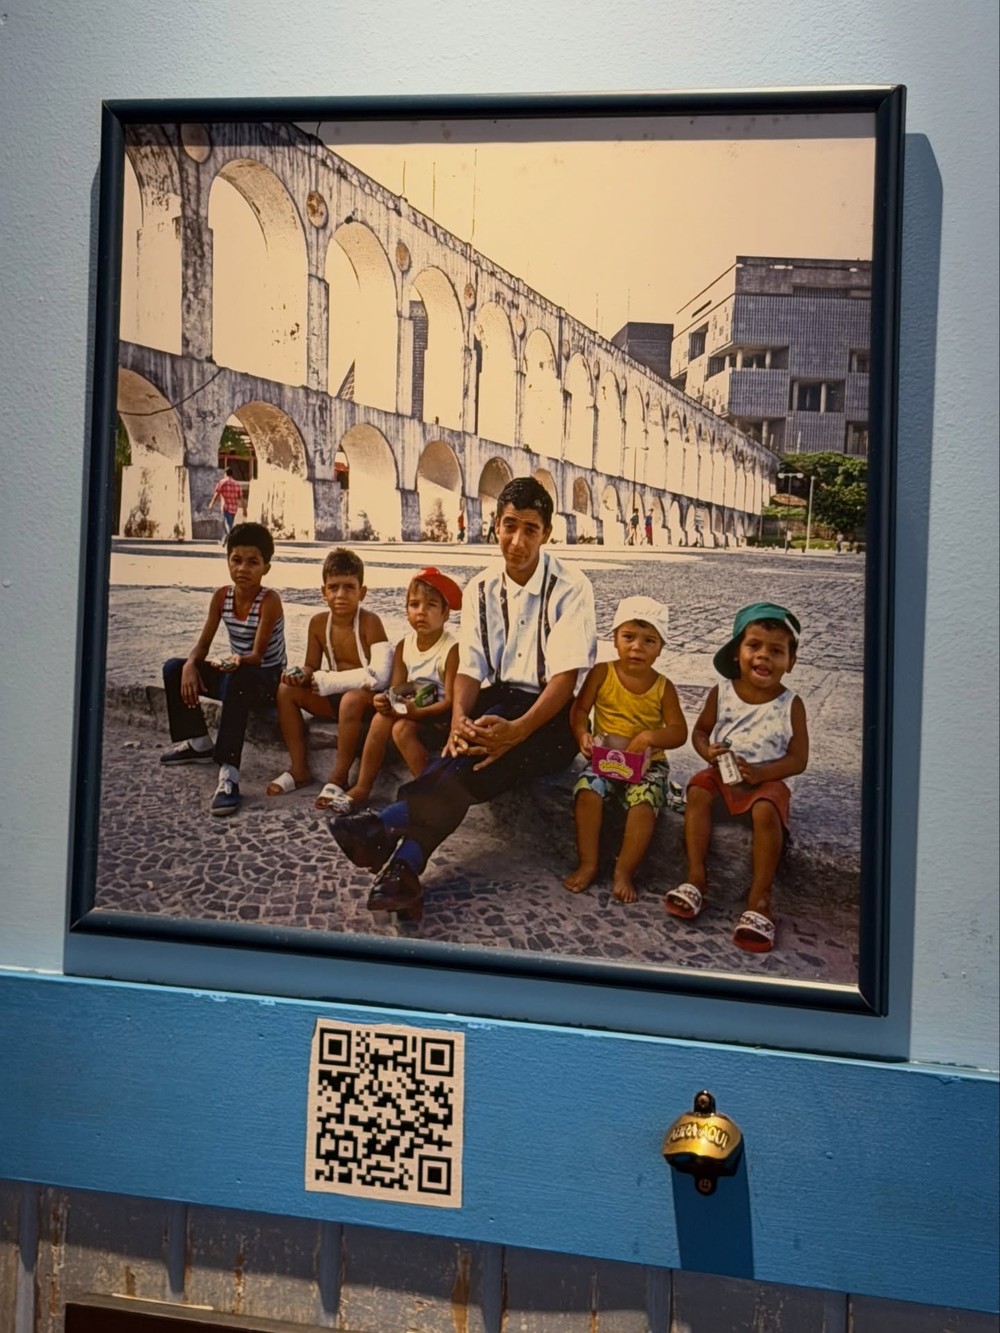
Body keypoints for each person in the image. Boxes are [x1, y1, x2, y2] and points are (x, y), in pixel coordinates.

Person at [329, 476, 597, 921]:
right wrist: (458, 718)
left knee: (476, 754)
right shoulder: (480, 589)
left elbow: (565, 679)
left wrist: (517, 731)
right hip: (500, 701)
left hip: (550, 716)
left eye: (530, 529)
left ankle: (386, 823)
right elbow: (470, 668)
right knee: (468, 748)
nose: (517, 541)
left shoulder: (571, 587)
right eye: (510, 526)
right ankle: (404, 869)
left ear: (547, 534)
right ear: (495, 525)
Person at [664, 602, 809, 953]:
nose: (763, 656)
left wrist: (762, 774)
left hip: (767, 780)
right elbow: (701, 732)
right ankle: (696, 877)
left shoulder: (791, 704)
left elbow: (798, 759)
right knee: (698, 789)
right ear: (736, 653)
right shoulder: (723, 692)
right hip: (723, 776)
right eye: (754, 646)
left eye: (776, 651)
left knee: (765, 810)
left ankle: (760, 899)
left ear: (790, 661)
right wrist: (707, 752)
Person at [564, 596, 687, 903]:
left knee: (643, 804)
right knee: (587, 791)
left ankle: (624, 871)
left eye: (649, 641)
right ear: (615, 639)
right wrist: (583, 734)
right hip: (606, 760)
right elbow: (580, 710)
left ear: (660, 648)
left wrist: (649, 737)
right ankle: (588, 862)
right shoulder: (602, 673)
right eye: (628, 637)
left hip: (648, 764)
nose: (637, 647)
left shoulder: (663, 687)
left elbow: (679, 732)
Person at [160, 522, 285, 817]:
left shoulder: (269, 600)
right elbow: (203, 644)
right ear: (228, 561)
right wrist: (191, 664)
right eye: (236, 560)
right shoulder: (222, 597)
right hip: (238, 673)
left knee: (237, 679)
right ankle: (200, 743)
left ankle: (229, 774)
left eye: (253, 562)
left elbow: (257, 656)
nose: (243, 569)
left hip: (267, 680)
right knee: (174, 669)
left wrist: (232, 661)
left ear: (266, 568)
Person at [264, 548, 391, 805]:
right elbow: (311, 665)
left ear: (362, 592)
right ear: (324, 592)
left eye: (349, 587)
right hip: (334, 699)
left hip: (364, 701)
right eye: (333, 587)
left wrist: (331, 681)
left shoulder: (370, 622)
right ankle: (299, 769)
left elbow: (380, 675)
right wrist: (299, 674)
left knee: (351, 699)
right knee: (285, 690)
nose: (340, 594)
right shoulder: (318, 623)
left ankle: (339, 776)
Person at [334, 567, 463, 813]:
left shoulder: (451, 649)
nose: (421, 612)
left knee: (401, 729)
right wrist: (385, 699)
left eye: (431, 605)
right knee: (381, 718)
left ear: (446, 613)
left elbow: (450, 702)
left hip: (438, 718)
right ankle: (362, 787)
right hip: (412, 710)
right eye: (414, 605)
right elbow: (397, 688)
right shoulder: (405, 645)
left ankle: (430, 793)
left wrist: (416, 712)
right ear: (406, 611)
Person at [208, 467, 247, 545]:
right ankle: (224, 541)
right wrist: (244, 509)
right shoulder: (236, 484)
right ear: (232, 474)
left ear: (225, 473)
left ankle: (232, 538)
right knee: (228, 523)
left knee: (227, 524)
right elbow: (241, 498)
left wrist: (211, 503)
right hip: (234, 508)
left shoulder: (222, 482)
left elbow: (217, 493)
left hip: (225, 507)